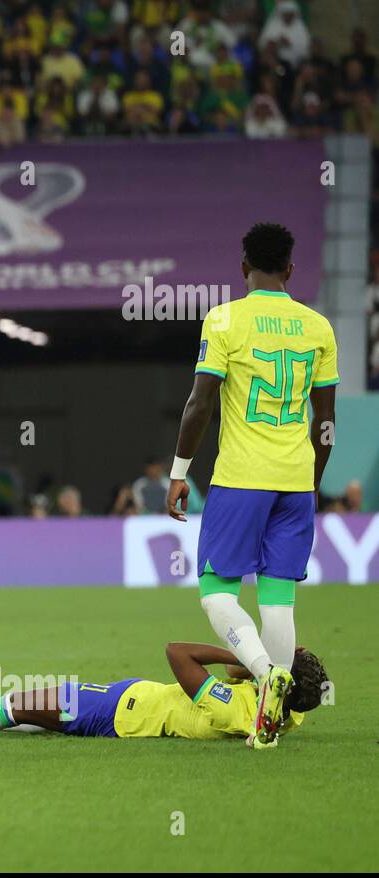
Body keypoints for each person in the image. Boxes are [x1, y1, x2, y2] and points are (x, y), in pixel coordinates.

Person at [166, 222, 338, 748]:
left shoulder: (225, 320)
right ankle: (274, 719)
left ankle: (267, 676)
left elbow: (201, 404)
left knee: (217, 594)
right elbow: (326, 423)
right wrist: (310, 486)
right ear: (290, 269)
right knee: (279, 603)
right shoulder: (318, 327)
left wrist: (178, 473)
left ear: (243, 269)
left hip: (241, 479)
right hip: (295, 482)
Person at [0, 642, 328, 744]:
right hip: (130, 701)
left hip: (120, 713)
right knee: (35, 711)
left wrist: (245, 656)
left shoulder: (238, 710)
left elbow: (178, 654)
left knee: (16, 706)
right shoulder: (284, 712)